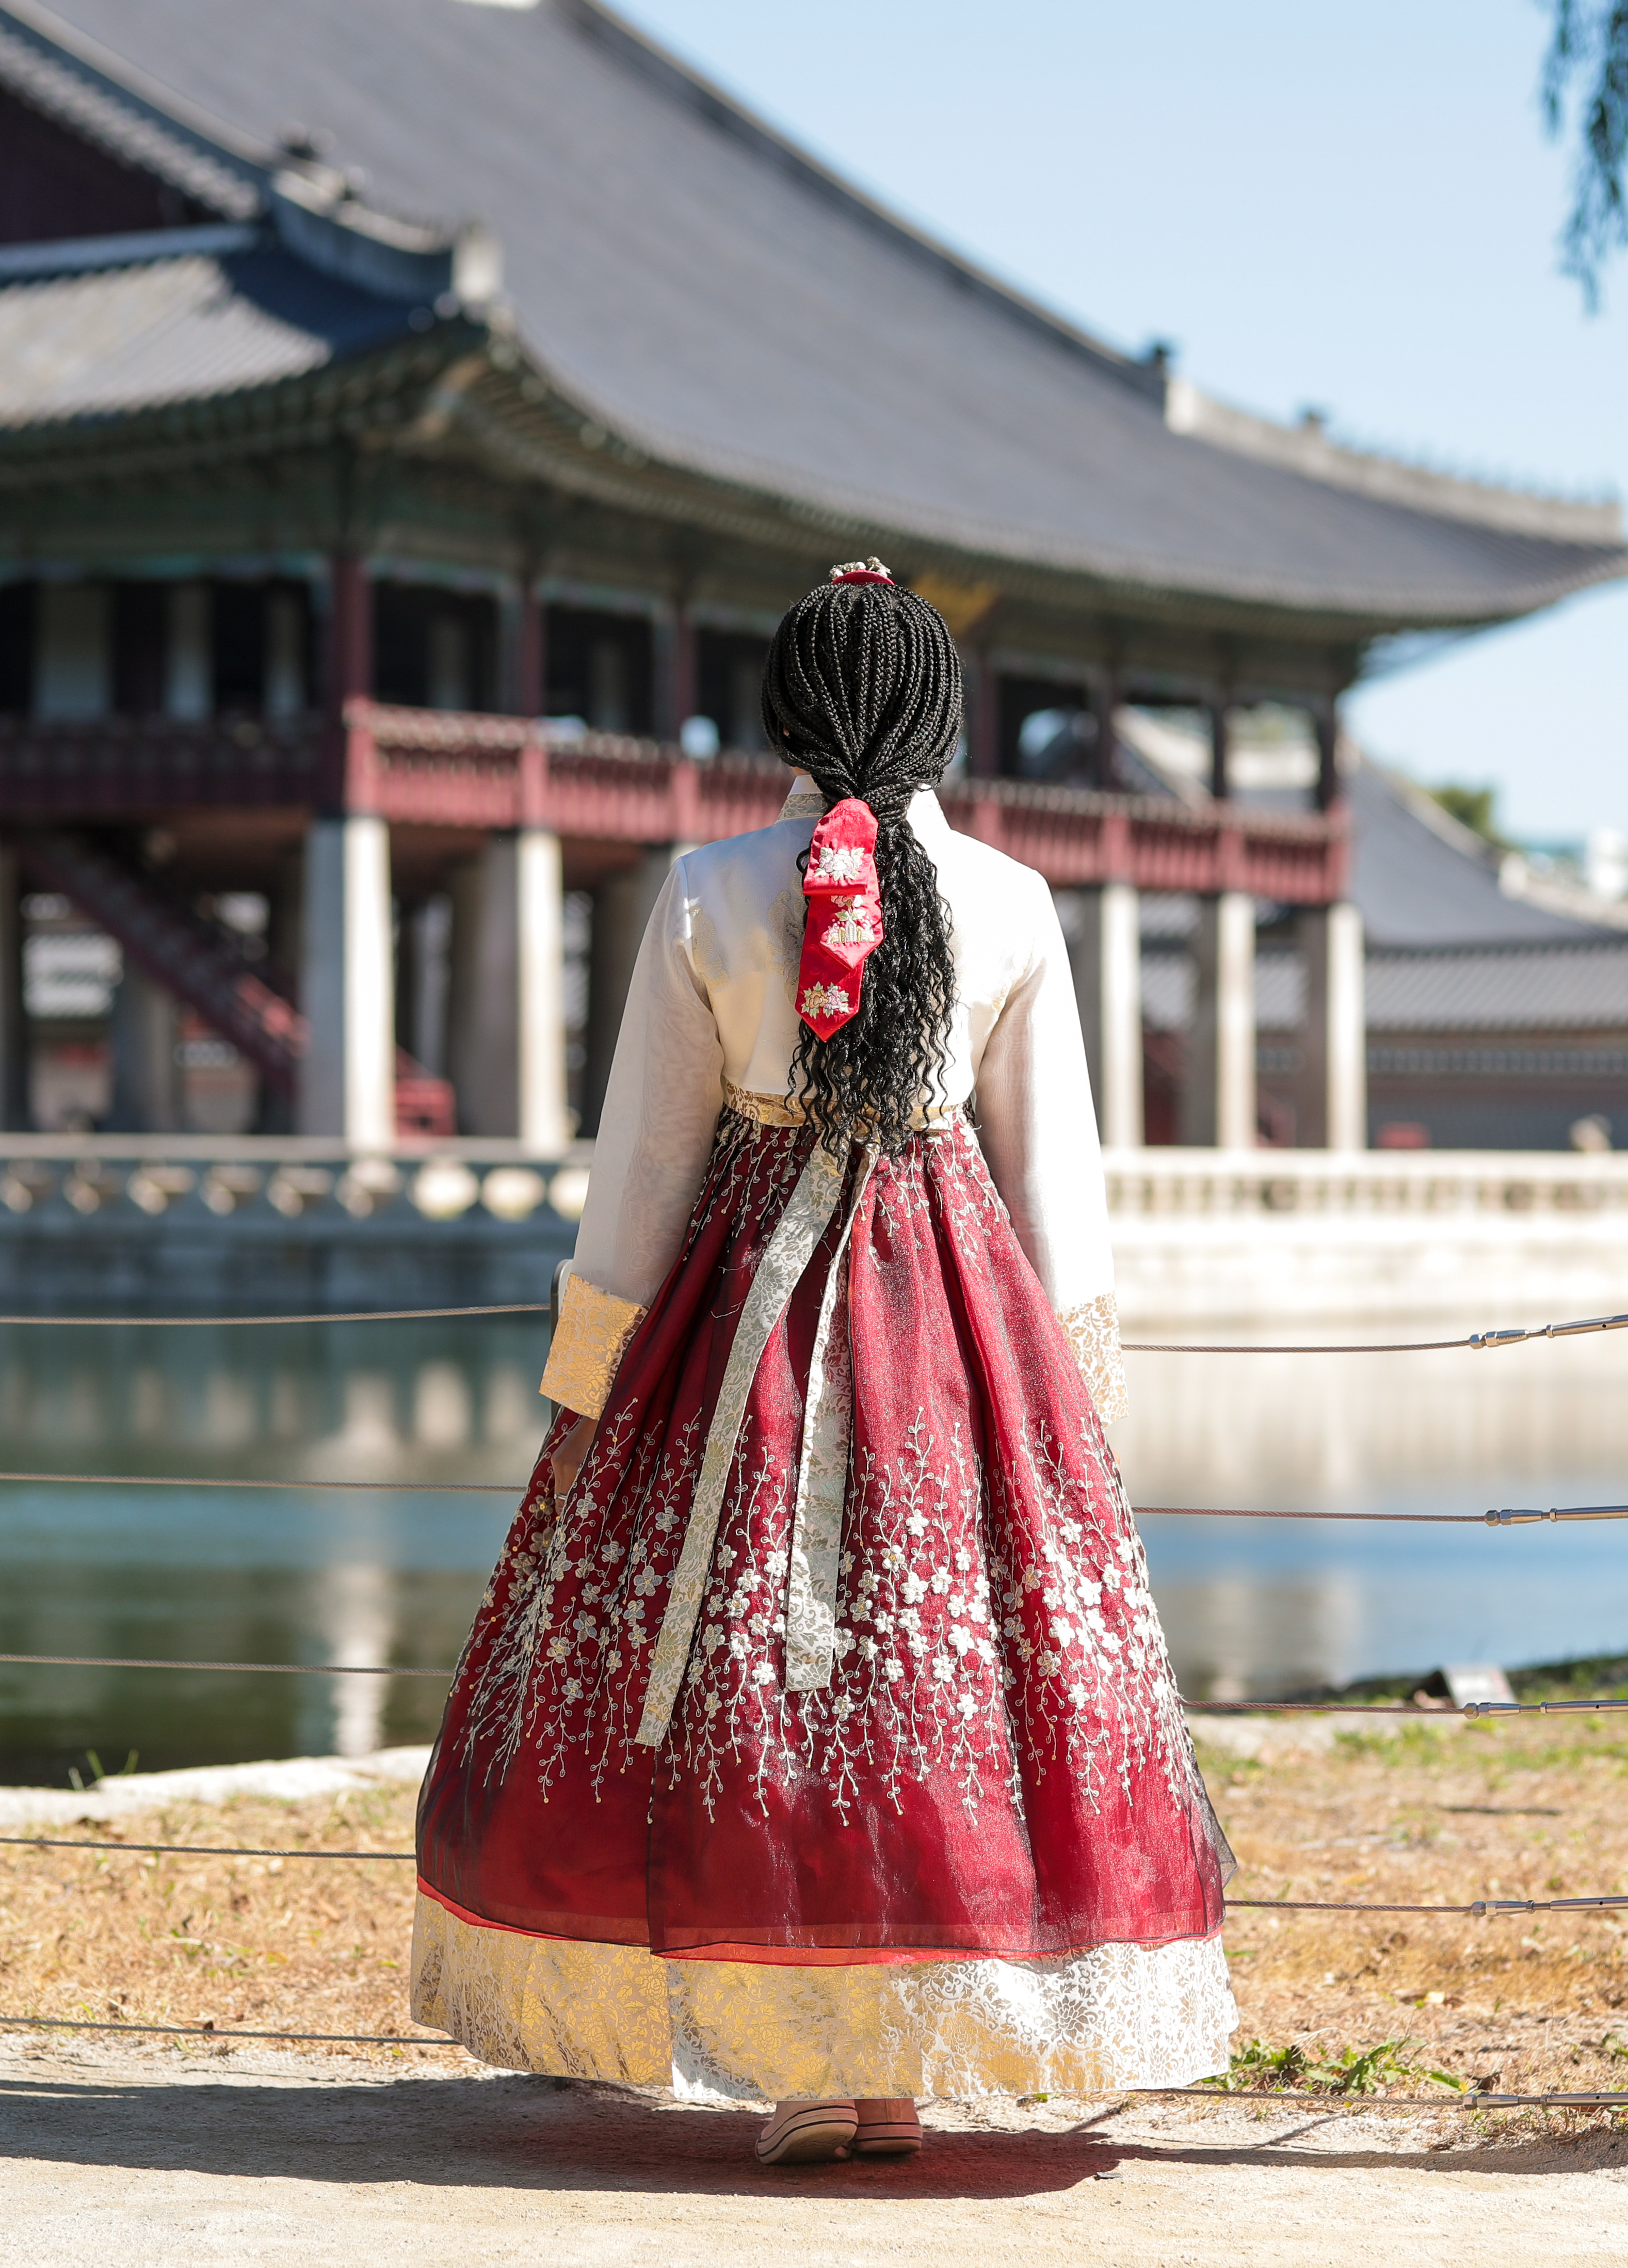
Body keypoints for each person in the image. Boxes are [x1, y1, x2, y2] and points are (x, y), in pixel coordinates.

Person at [410, 562, 1234, 2166]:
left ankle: (797, 2049)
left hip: (741, 1326)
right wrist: (1079, 1407)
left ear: (784, 712)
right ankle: (895, 2063)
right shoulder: (1011, 897)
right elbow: (1058, 1179)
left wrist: (589, 1390)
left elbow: (643, 1168)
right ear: (942, 713)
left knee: (747, 1684)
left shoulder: (711, 886)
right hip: (955, 1326)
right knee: (936, 1686)